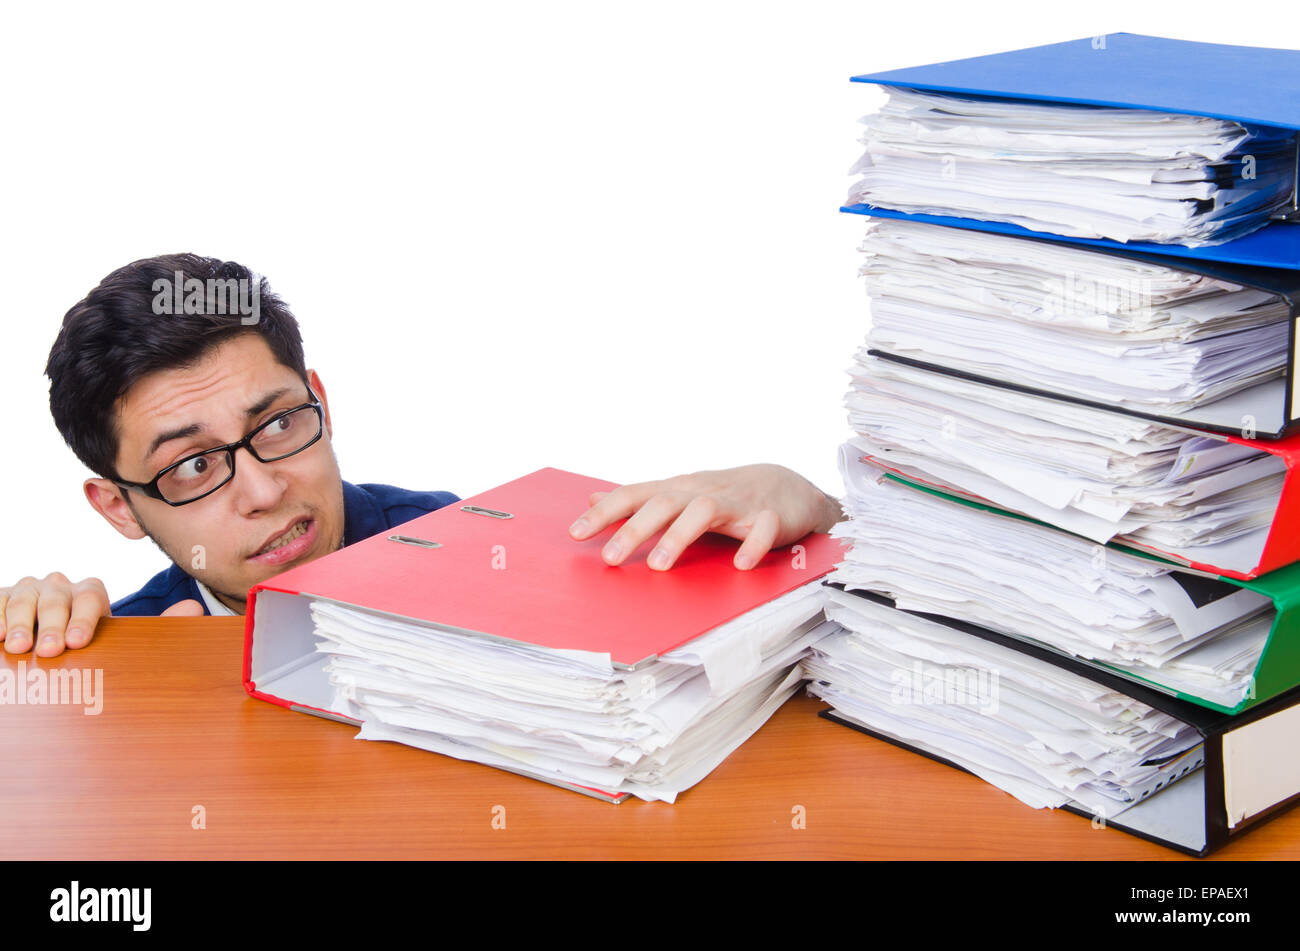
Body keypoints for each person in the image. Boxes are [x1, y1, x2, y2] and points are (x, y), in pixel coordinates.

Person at [1, 254, 843, 657]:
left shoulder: (475, 542)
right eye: (191, 466)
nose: (262, 488)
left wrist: (816, 511)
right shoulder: (130, 654)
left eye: (280, 425)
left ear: (320, 399)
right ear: (117, 505)